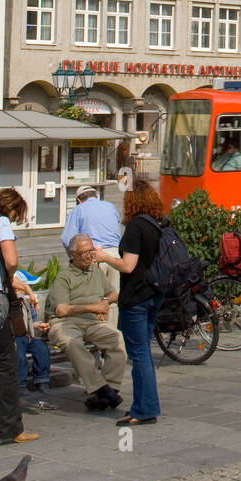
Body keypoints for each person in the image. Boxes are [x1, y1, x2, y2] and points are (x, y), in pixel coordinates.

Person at [92, 179, 165, 428]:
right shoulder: (157, 224)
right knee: (144, 351)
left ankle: (144, 409)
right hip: (155, 294)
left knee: (140, 354)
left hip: (136, 297)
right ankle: (148, 406)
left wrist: (104, 257)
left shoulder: (135, 227)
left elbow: (128, 265)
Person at [45, 236, 125, 411]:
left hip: (91, 322)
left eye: (91, 251)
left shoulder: (95, 272)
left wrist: (105, 301)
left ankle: (109, 389)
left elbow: (114, 293)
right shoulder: (64, 277)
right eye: (85, 252)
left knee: (116, 339)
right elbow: (62, 310)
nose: (90, 256)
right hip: (65, 322)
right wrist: (93, 307)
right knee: (72, 342)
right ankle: (101, 389)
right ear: (73, 254)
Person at [0, 190, 38, 445]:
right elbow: (11, 260)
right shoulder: (0, 221)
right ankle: (10, 429)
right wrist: (10, 276)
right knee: (5, 365)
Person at [61, 184, 122, 328]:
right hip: (114, 255)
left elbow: (67, 238)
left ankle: (95, 333)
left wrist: (74, 259)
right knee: (112, 297)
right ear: (96, 196)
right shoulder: (110, 206)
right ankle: (111, 335)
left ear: (79, 200)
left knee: (94, 297)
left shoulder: (78, 210)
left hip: (94, 255)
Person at [13, 274, 51, 395]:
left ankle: (42, 379)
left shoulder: (27, 303)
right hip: (15, 337)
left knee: (42, 349)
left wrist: (38, 325)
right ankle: (21, 384)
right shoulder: (9, 302)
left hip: (28, 336)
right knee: (20, 356)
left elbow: (31, 321)